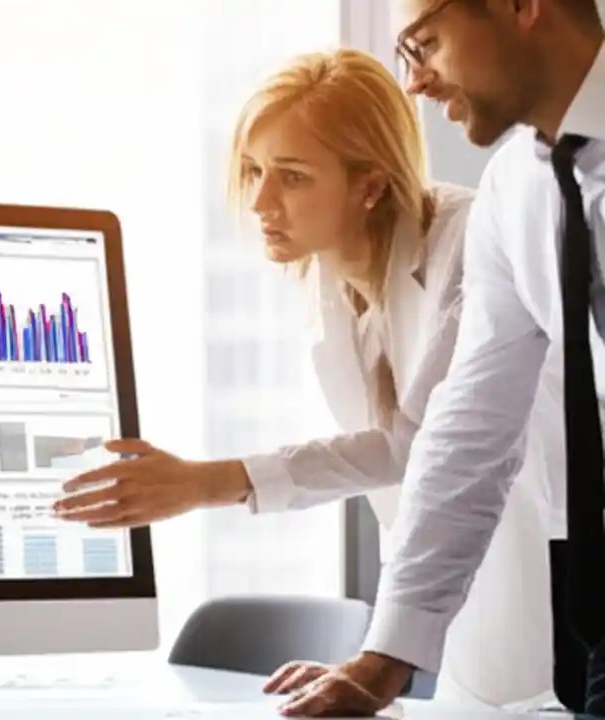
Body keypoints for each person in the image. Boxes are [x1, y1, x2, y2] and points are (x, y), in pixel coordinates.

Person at [52, 47, 558, 709]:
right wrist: (373, 657)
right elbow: (398, 493)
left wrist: (206, 481)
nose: (260, 200)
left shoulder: (468, 242)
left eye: (291, 177)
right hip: (456, 618)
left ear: (370, 184)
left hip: (539, 579)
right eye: (253, 170)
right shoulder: (329, 279)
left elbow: (414, 447)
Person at [241, 0, 605, 716]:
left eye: (424, 43)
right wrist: (383, 665)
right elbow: (469, 430)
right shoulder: (516, 191)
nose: (415, 81)